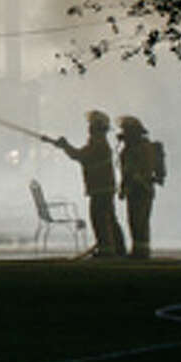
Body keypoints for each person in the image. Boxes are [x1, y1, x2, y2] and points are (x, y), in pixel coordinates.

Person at [46, 110, 126, 257]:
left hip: (100, 189)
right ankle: (117, 248)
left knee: (100, 218)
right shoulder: (99, 143)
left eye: (92, 125)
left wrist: (65, 146)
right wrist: (64, 146)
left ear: (97, 128)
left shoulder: (99, 145)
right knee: (109, 218)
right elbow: (80, 155)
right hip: (103, 189)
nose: (89, 129)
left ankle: (106, 251)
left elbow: (80, 156)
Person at [117, 115, 164, 259]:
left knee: (141, 220)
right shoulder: (127, 151)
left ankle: (142, 251)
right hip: (133, 189)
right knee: (133, 220)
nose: (124, 134)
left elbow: (152, 169)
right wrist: (123, 188)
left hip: (143, 188)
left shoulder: (147, 148)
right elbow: (125, 171)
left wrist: (141, 178)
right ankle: (137, 250)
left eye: (127, 131)